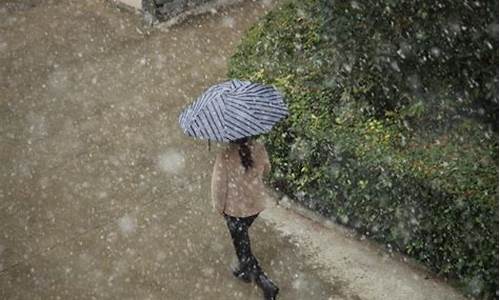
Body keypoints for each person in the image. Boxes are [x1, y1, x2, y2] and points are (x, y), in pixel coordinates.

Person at [211, 136, 279, 300]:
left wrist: (219, 208)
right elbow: (267, 169)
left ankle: (266, 285)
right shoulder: (259, 148)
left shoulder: (225, 155)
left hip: (234, 210)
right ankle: (243, 269)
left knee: (243, 250)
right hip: (255, 205)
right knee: (242, 238)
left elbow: (218, 186)